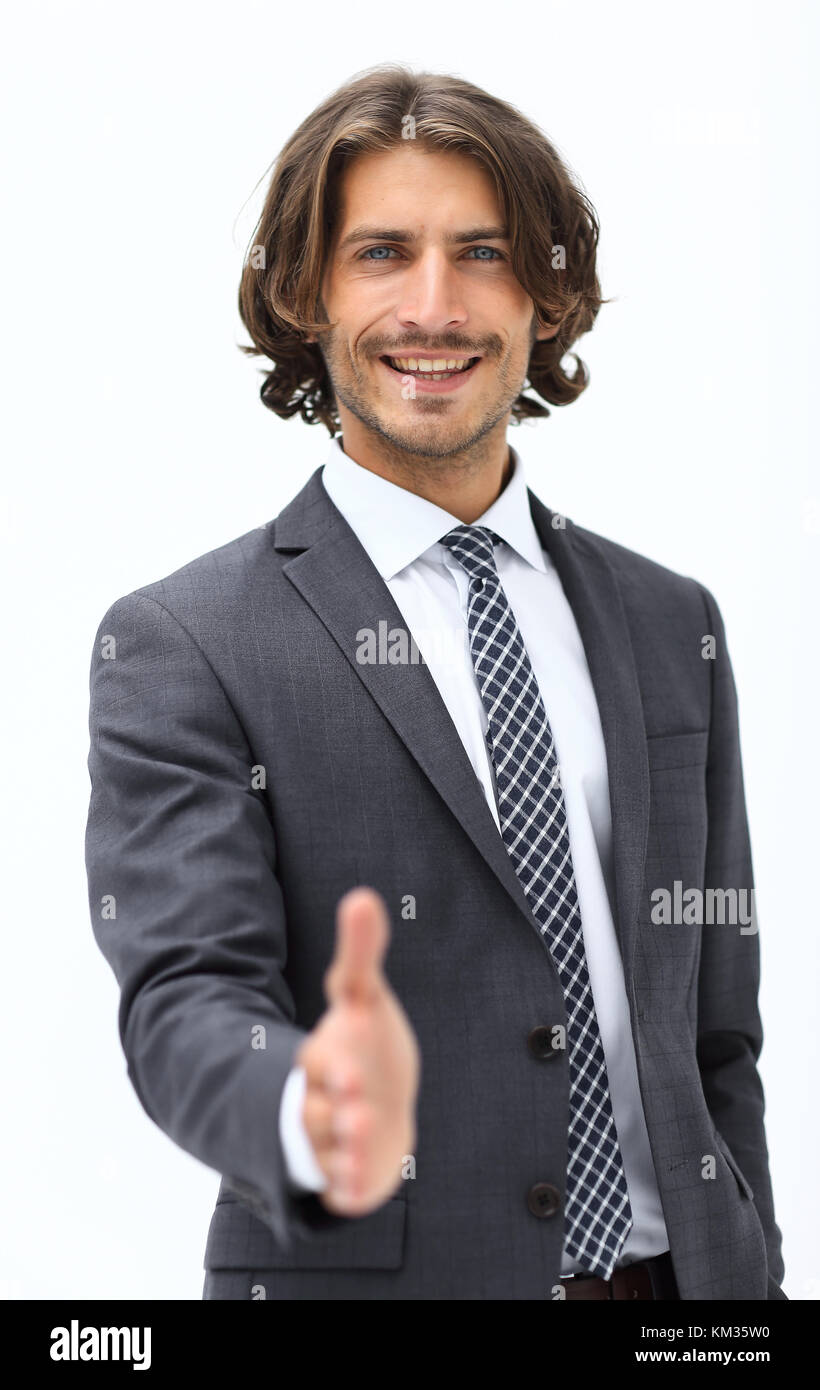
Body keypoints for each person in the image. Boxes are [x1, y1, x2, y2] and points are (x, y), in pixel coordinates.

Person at [85, 65, 786, 1301]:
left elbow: (717, 1036)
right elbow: (186, 996)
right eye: (380, 254)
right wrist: (299, 1104)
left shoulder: (672, 623)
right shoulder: (186, 641)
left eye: (482, 253)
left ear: (543, 295)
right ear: (306, 295)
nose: (432, 305)